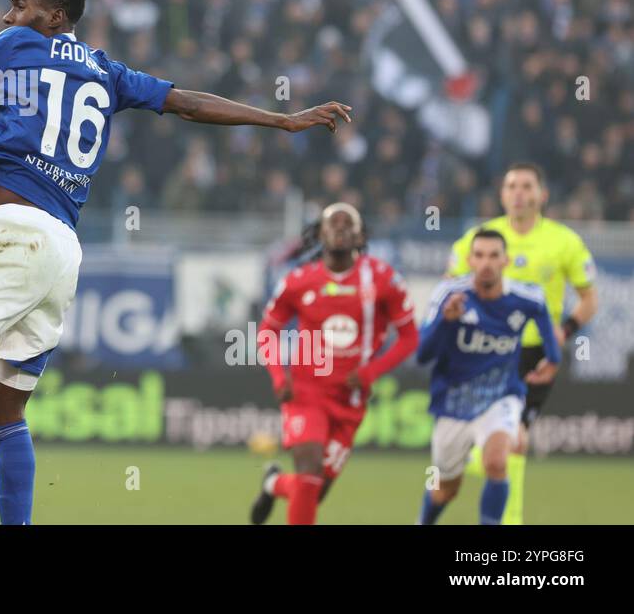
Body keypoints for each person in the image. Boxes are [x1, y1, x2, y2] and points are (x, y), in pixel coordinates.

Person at [0, 0, 352, 524]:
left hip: (14, 230)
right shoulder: (105, 69)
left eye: (18, 5)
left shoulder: (15, 44)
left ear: (54, 15)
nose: (7, 16)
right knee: (3, 411)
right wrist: (280, 120)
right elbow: (186, 101)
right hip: (63, 249)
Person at [446, 163, 598, 524]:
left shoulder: (564, 240)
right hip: (487, 350)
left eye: (526, 186)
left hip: (536, 354)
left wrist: (564, 331)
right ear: (502, 195)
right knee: (511, 443)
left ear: (541, 195)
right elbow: (449, 286)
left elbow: (589, 298)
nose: (518, 192)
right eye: (511, 185)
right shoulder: (481, 238)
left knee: (514, 440)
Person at [249, 203, 418, 525]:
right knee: (309, 471)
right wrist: (277, 376)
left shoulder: (384, 280)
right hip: (306, 391)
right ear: (319, 234)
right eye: (332, 223)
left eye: (348, 223)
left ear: (360, 235)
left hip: (350, 399)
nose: (340, 228)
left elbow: (410, 337)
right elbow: (267, 331)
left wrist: (372, 371)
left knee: (314, 490)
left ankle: (272, 483)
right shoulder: (298, 281)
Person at [418, 229, 560, 525]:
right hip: (453, 402)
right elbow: (422, 355)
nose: (486, 263)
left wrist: (553, 359)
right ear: (469, 260)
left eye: (494, 255)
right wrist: (446, 322)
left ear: (506, 260)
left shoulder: (525, 296)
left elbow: (543, 311)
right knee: (445, 489)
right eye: (480, 255)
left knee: (496, 463)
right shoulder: (449, 294)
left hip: (501, 395)